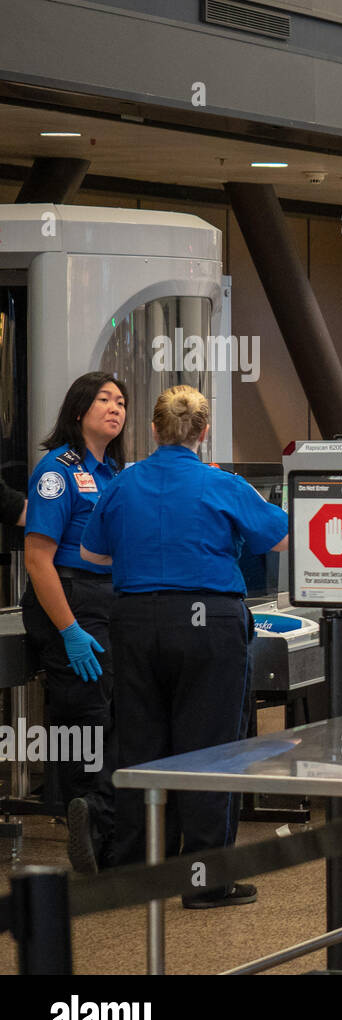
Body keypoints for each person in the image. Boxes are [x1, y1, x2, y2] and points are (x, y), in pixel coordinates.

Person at [81, 385, 288, 907]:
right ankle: (204, 880)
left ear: (152, 430)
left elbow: (90, 551)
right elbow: (281, 536)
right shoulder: (221, 483)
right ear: (203, 432)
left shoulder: (123, 485)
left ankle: (135, 871)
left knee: (138, 744)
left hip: (133, 620)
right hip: (208, 622)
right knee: (210, 748)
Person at [22, 371, 126, 874]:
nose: (115, 407)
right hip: (68, 596)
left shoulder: (115, 473)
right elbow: (38, 559)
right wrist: (68, 630)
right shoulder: (56, 471)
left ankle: (106, 831)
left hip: (108, 599)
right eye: (104, 399)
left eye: (122, 402)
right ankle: (86, 829)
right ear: (79, 409)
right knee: (85, 716)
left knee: (111, 716)